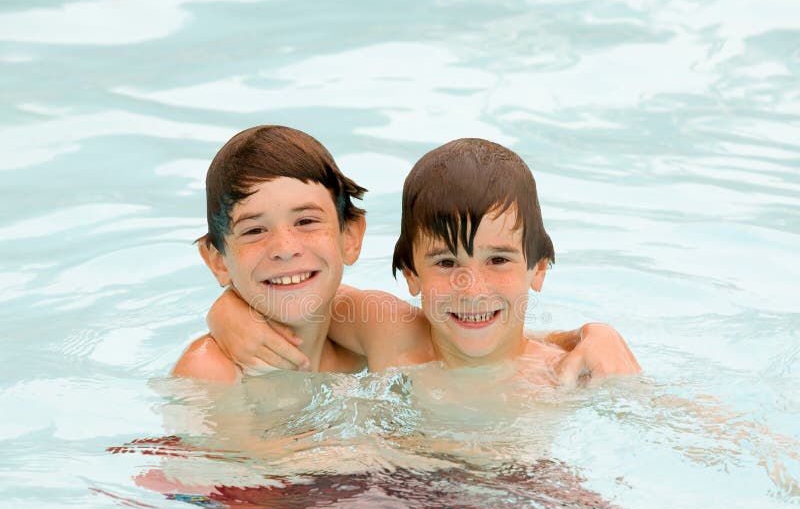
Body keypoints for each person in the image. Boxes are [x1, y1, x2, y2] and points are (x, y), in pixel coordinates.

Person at [208, 137, 639, 384]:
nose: (473, 288)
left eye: (499, 260)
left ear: (539, 268)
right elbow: (304, 296)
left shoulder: (558, 376)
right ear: (411, 274)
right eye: (447, 264)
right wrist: (227, 311)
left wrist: (592, 334)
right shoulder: (391, 334)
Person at [173, 125, 368, 382]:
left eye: (306, 221)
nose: (285, 249)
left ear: (350, 238)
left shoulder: (368, 348)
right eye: (254, 230)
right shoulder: (211, 373)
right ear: (218, 261)